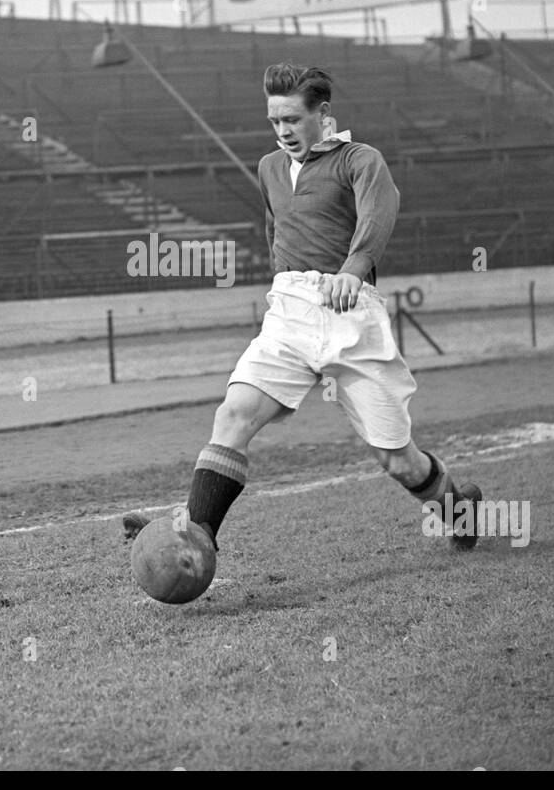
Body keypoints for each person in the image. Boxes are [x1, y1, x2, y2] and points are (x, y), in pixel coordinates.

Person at [124, 61, 482, 559]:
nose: (282, 131)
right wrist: (286, 284)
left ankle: (459, 510)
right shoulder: (269, 167)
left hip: (350, 312)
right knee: (234, 414)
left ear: (323, 113)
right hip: (290, 313)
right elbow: (276, 231)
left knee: (397, 461)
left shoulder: (361, 159)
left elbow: (382, 212)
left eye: (292, 119)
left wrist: (353, 270)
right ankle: (197, 534)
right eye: (274, 121)